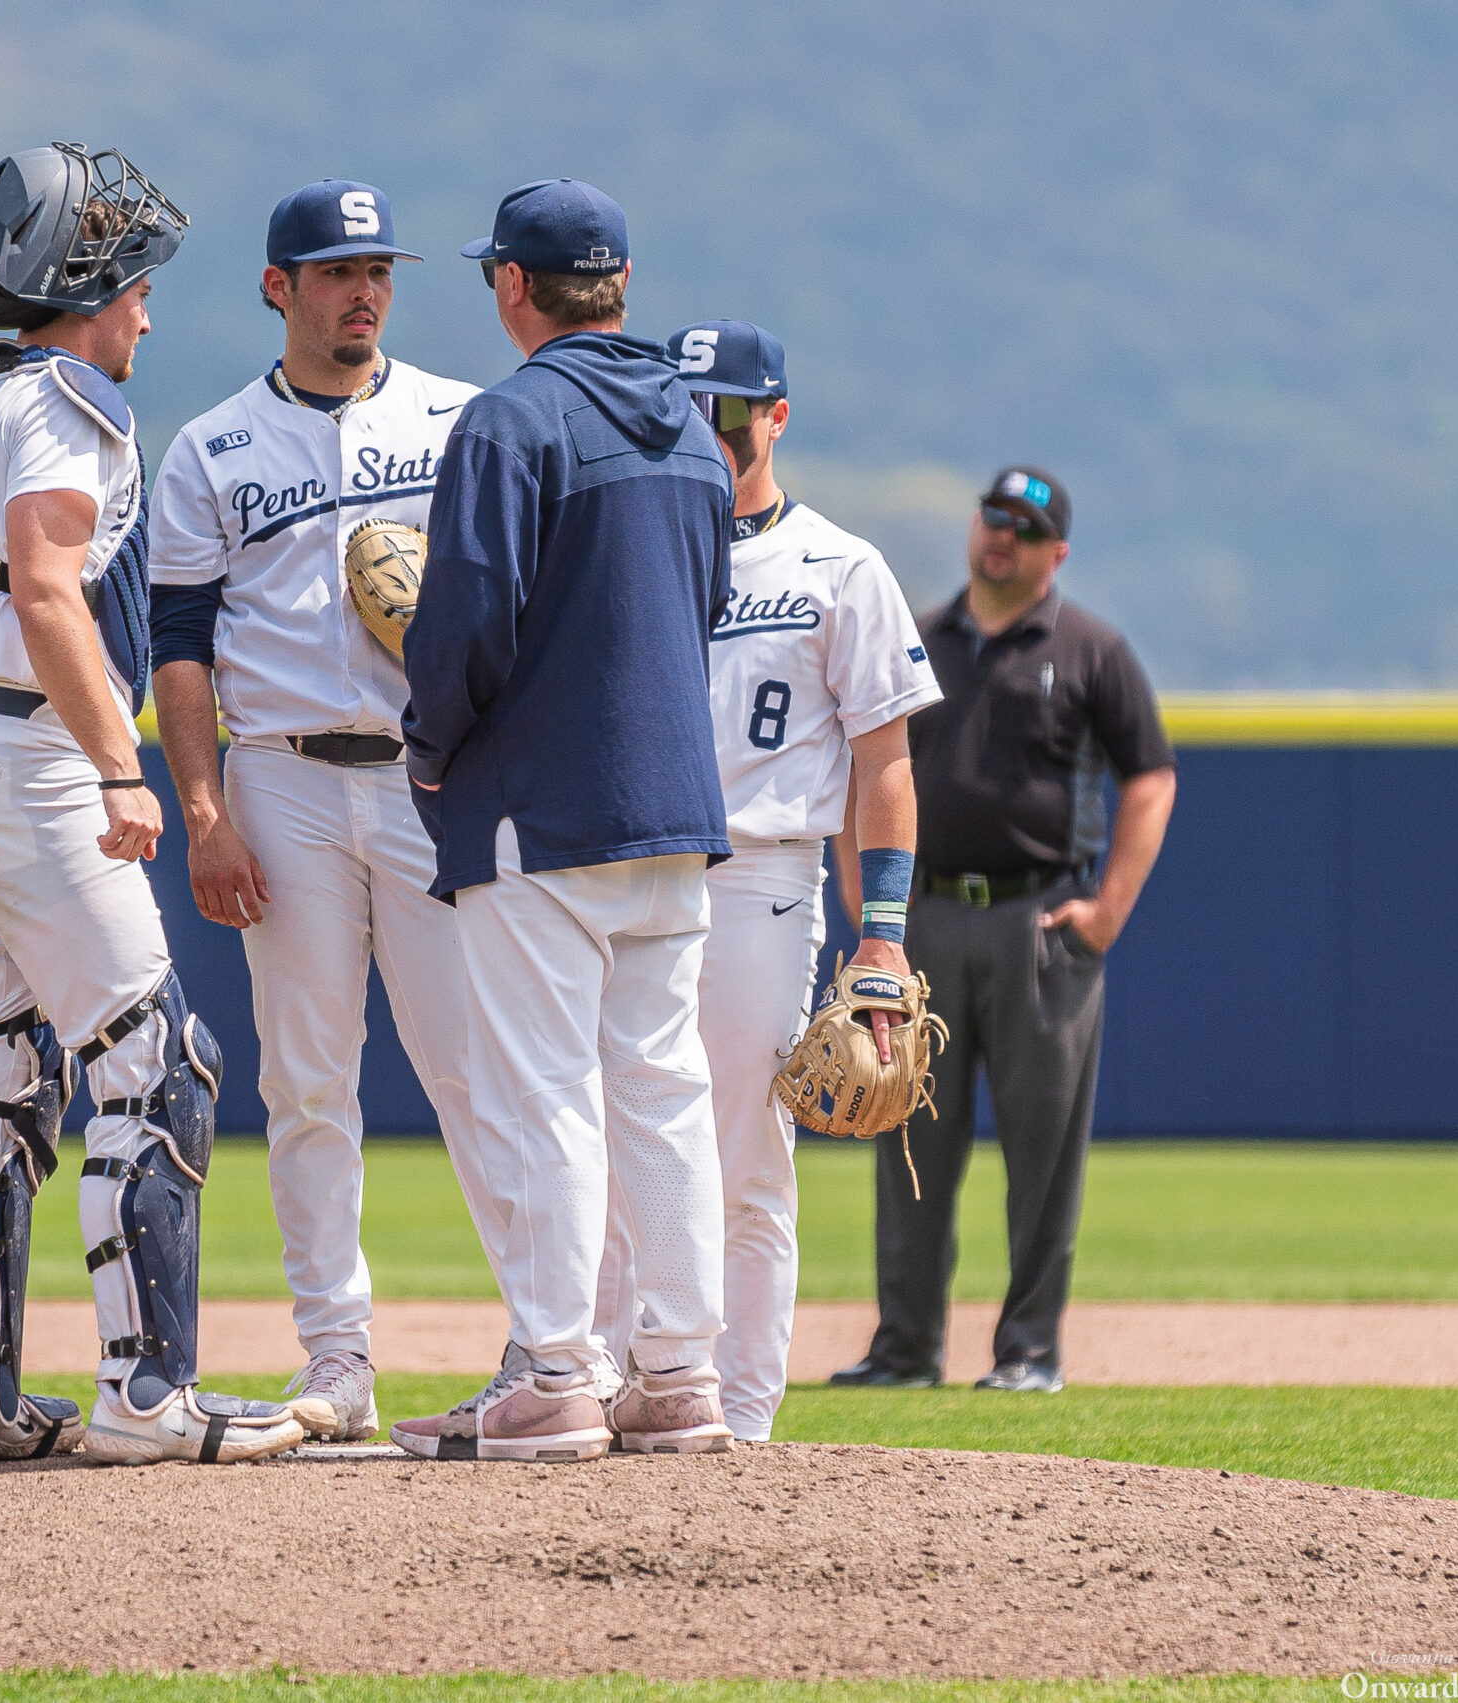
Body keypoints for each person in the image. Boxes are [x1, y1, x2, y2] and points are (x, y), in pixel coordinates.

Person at [0, 141, 307, 1467]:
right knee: (156, 1062)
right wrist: (120, 768)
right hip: (33, 756)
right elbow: (49, 585)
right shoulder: (67, 396)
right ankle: (144, 1393)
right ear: (83, 285)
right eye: (133, 283)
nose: (144, 310)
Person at [392, 180, 738, 1463]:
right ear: (624, 285)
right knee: (662, 1091)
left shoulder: (511, 419)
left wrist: (429, 744)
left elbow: (467, 613)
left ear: (512, 287)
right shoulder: (698, 436)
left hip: (539, 806)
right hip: (674, 806)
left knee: (542, 1091)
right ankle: (684, 1371)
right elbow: (696, 607)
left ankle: (553, 1370)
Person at [147, 180, 490, 1443]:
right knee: (306, 1080)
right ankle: (335, 1358)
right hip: (279, 776)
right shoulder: (212, 445)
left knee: (475, 1066)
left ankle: (544, 1342)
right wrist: (201, 809)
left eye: (379, 270)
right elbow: (178, 641)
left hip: (425, 772)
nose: (364, 292)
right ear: (278, 287)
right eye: (337, 271)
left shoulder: (459, 420)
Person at [593, 319, 942, 1442]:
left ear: (774, 415)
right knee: (605, 1143)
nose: (705, 427)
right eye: (684, 406)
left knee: (745, 1146)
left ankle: (738, 1413)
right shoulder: (634, 556)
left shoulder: (841, 565)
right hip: (635, 871)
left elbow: (883, 762)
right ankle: (607, 1380)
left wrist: (880, 935)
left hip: (763, 877)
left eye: (727, 409)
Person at [831, 467, 1178, 1394]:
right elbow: (861, 765)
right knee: (907, 1136)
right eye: (994, 518)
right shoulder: (921, 639)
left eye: (1025, 528)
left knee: (1042, 1150)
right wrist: (868, 905)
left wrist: (1106, 912)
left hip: (1039, 921)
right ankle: (904, 1349)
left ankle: (1028, 1352)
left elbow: (1151, 776)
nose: (1003, 538)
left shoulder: (1090, 648)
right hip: (927, 919)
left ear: (1054, 552)